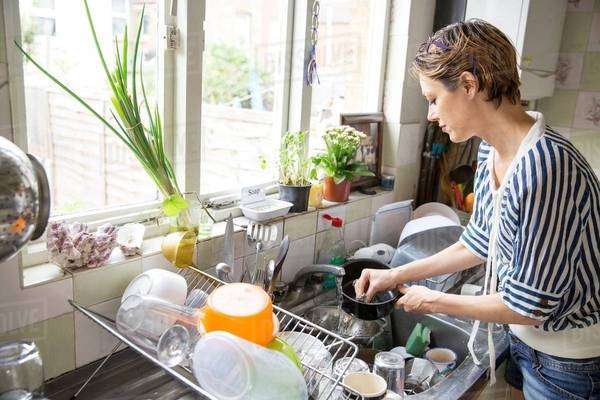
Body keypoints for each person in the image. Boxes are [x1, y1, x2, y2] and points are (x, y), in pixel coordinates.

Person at [355, 19, 600, 400]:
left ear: (470, 85)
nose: (432, 114)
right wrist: (396, 274)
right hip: (526, 341)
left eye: (434, 99)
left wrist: (431, 299)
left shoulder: (545, 168)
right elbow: (479, 240)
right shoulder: (491, 150)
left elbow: (529, 306)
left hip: (568, 360)